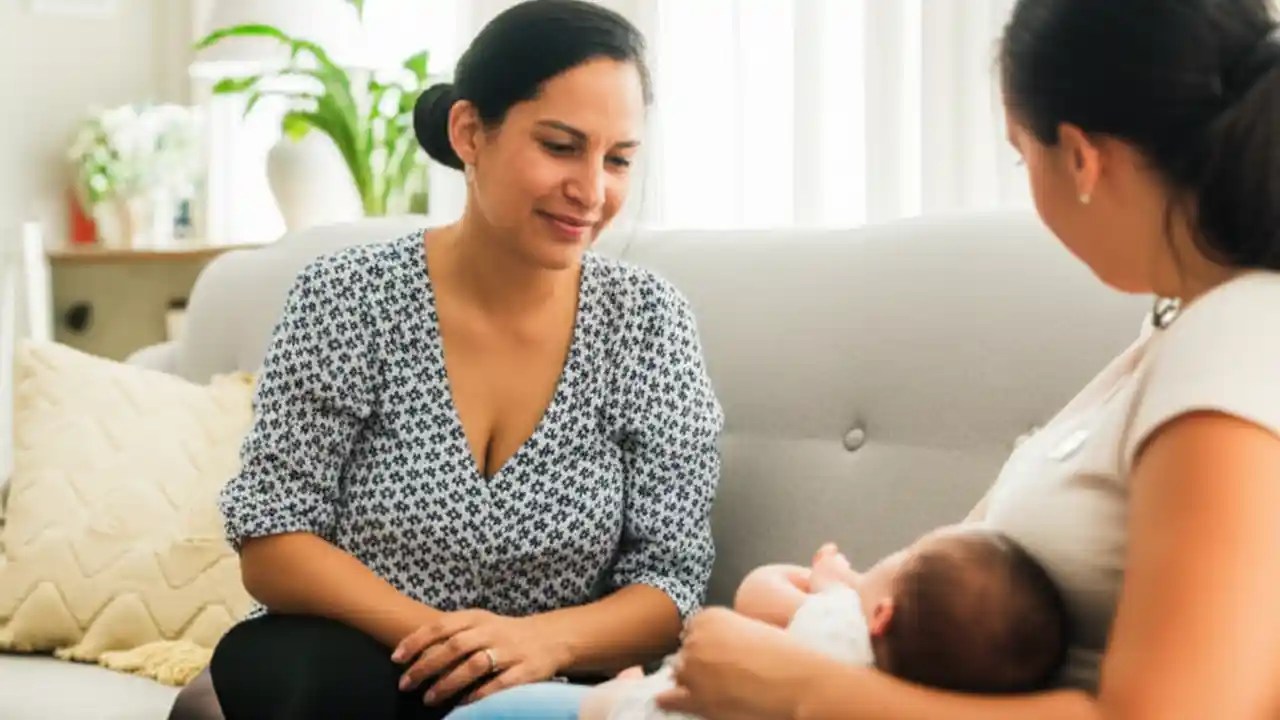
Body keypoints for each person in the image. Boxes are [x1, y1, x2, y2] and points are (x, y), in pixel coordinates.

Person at [649, 1, 1280, 718]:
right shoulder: (1179, 330)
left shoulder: (1237, 341)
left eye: (1021, 154)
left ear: (1079, 157)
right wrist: (848, 605)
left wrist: (794, 685)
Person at [166, 2, 724, 719]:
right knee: (262, 686)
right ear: (469, 132)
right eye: (560, 146)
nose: (592, 191)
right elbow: (274, 538)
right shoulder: (347, 295)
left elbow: (670, 586)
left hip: (554, 687)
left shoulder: (649, 324)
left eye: (617, 159)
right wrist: (451, 644)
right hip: (353, 668)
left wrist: (540, 644)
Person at [581, 527, 1069, 720]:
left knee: (632, 700)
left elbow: (760, 589)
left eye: (902, 553)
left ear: (882, 616)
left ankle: (626, 680)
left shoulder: (844, 619)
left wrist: (834, 575)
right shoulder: (899, 696)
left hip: (665, 710)